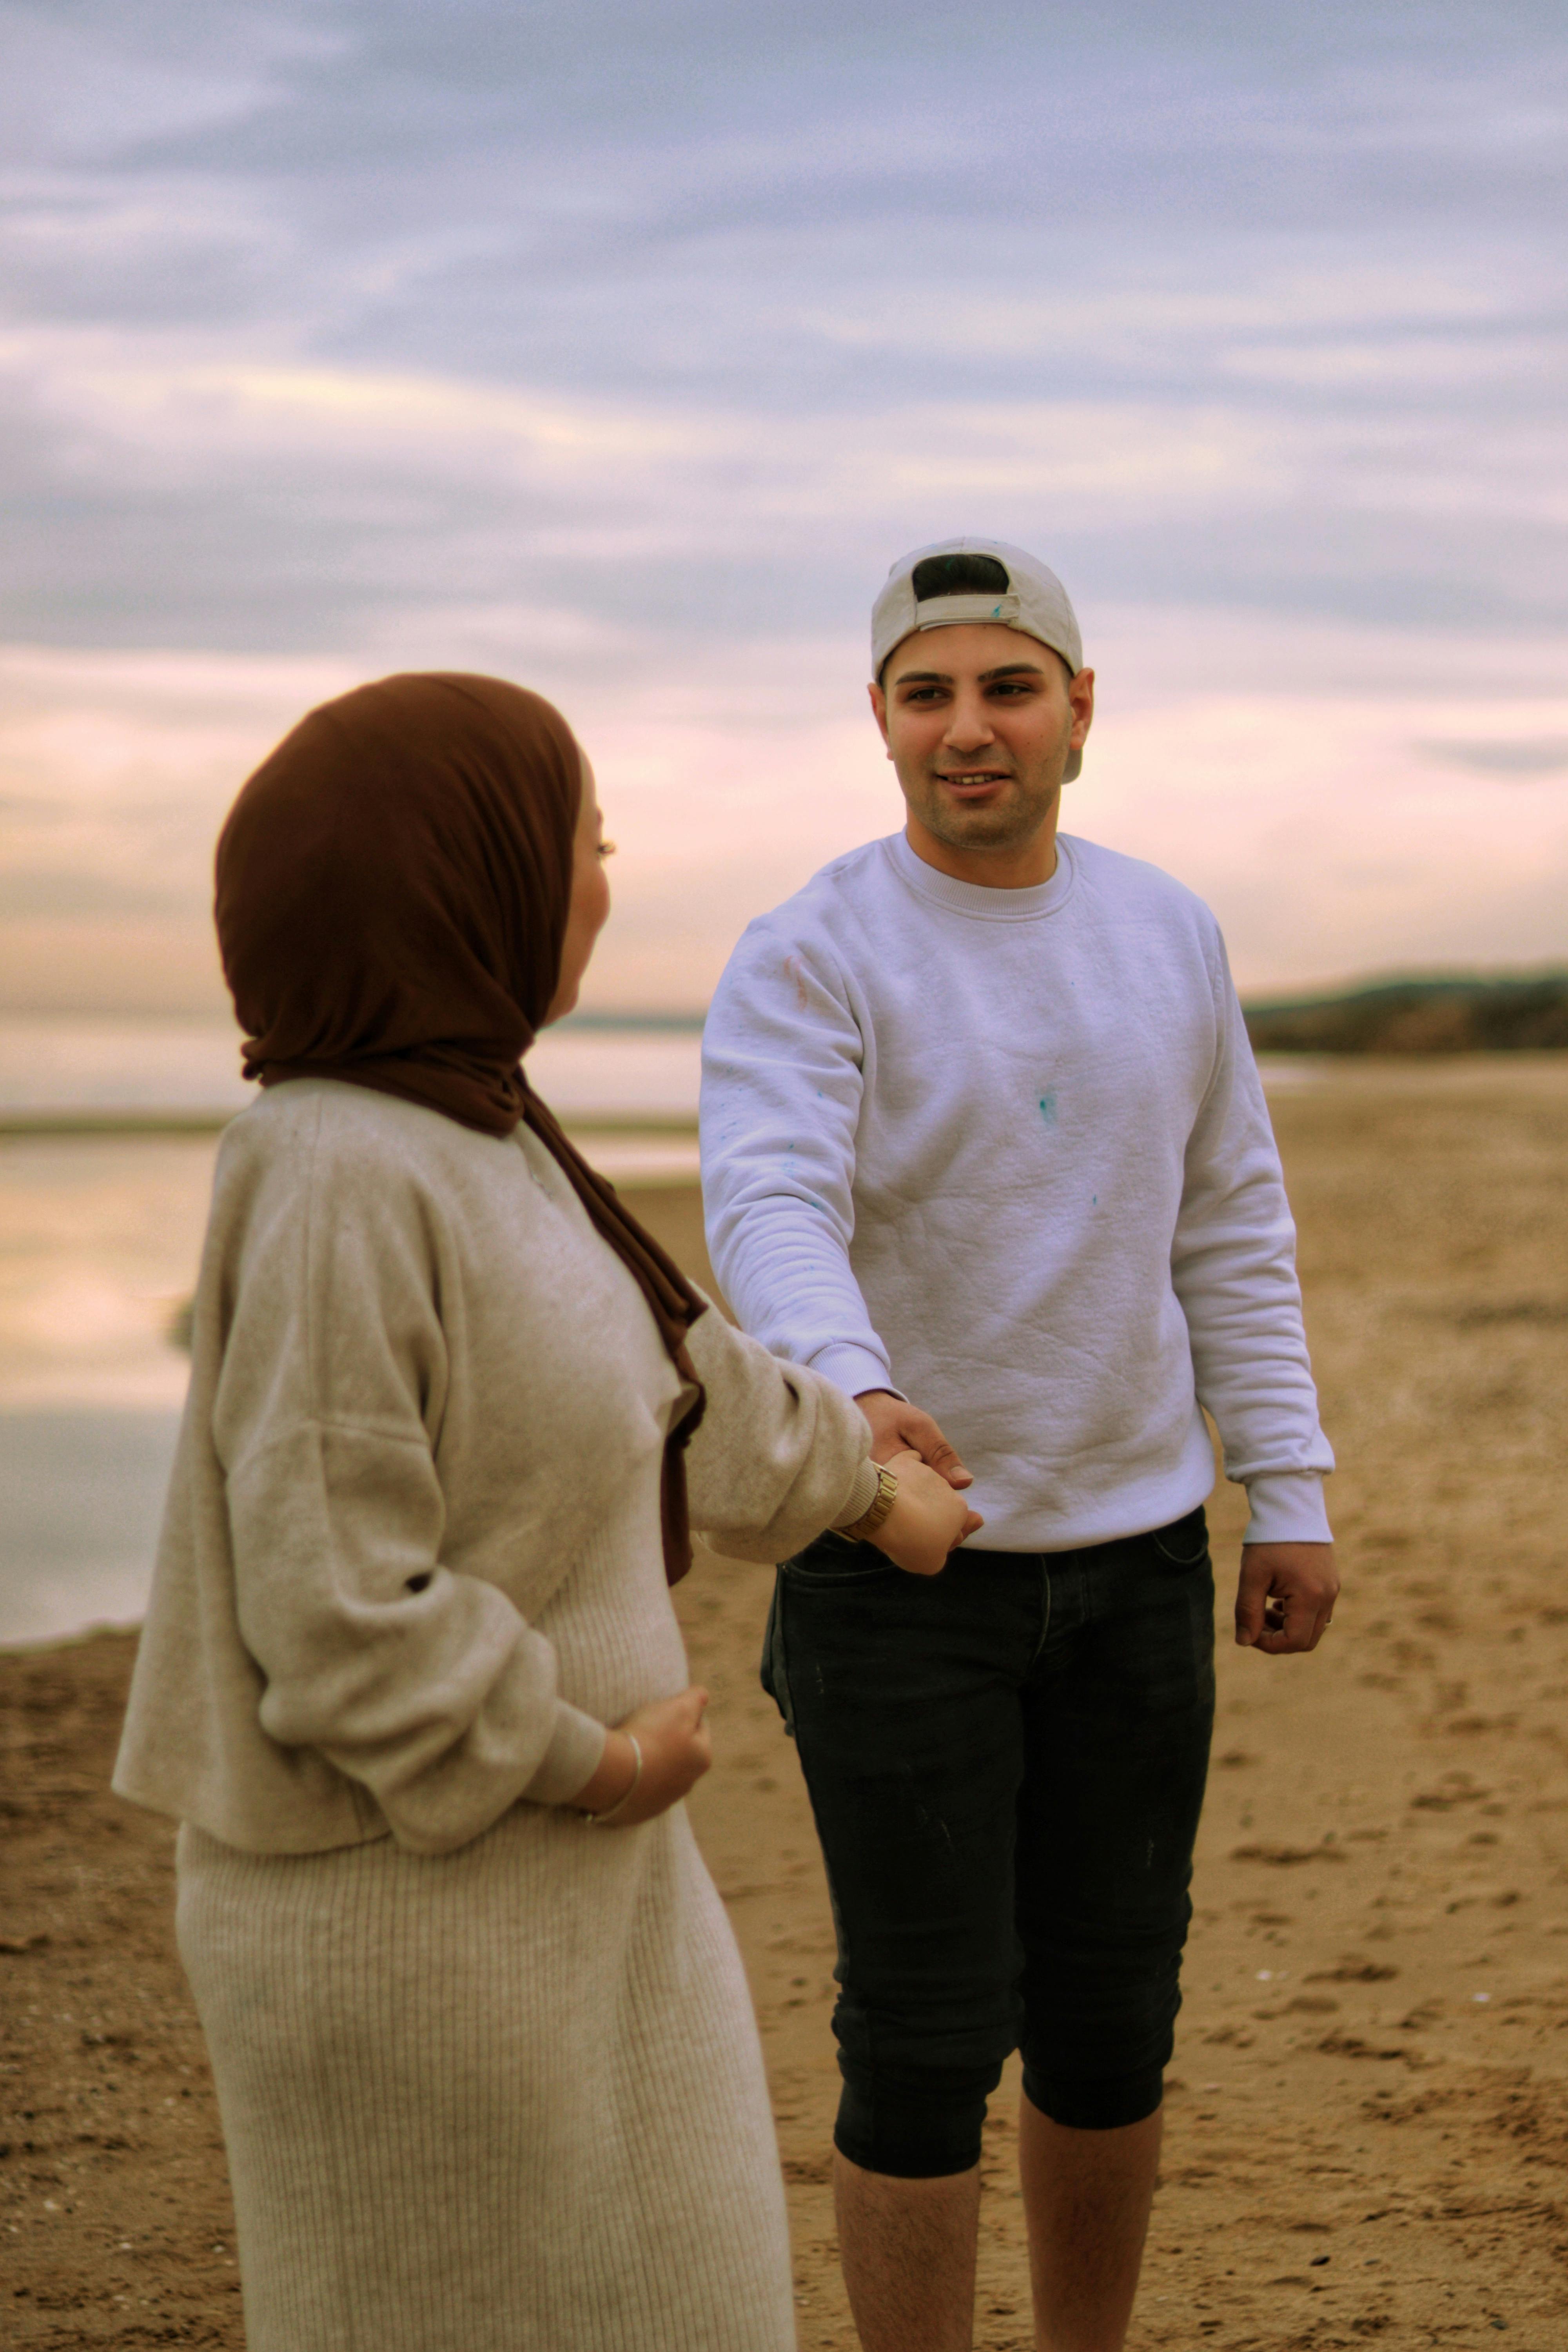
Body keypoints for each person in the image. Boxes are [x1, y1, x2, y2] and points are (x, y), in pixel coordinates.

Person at [112, 670, 974, 2352]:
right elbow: (334, 1611)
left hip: (582, 1890)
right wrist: (601, 1763)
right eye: (584, 843)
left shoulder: (481, 1127)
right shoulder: (332, 1169)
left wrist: (872, 1489)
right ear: (464, 875)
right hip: (402, 1918)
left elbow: (676, 1376)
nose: (603, 882)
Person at [700, 540, 1340, 2352]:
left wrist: (1286, 1489)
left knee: (1114, 2023)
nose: (966, 729)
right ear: (880, 719)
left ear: (1077, 708)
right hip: (901, 1561)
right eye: (927, 694)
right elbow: (768, 1197)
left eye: (1005, 687)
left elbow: (1231, 1222)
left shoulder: (1167, 929)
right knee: (917, 2035)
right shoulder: (810, 948)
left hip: (1139, 1565)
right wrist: (849, 1383)